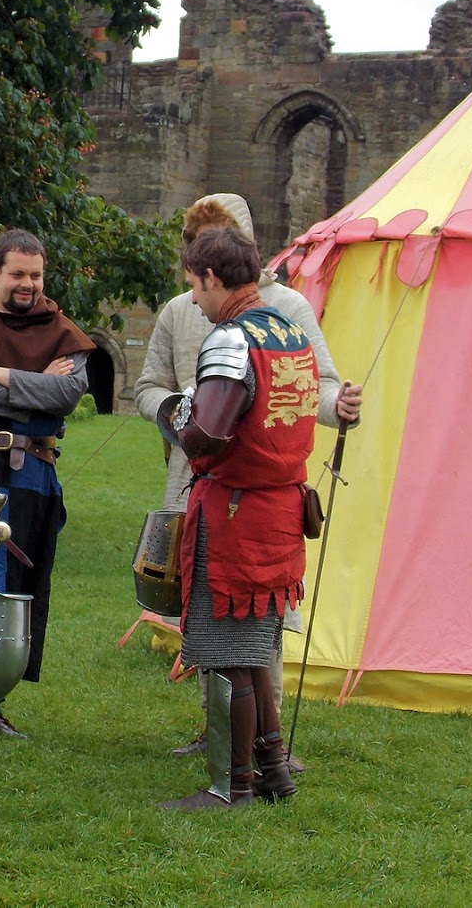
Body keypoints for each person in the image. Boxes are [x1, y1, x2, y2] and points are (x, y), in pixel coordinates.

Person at [134, 194, 361, 763]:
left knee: (239, 637)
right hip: (257, 494)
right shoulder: (197, 314)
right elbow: (151, 389)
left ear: (219, 269)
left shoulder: (263, 323)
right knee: (231, 631)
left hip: (237, 496)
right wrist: (176, 410)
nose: (194, 293)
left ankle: (241, 767)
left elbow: (229, 425)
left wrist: (338, 405)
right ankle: (258, 752)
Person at [156, 225, 319, 809]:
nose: (194, 300)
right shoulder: (289, 332)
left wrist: (175, 414)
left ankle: (233, 785)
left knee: (227, 652)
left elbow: (205, 435)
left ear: (212, 278)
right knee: (252, 650)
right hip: (279, 509)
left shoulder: (233, 339)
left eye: (194, 287)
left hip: (237, 514)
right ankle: (272, 767)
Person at [0, 229, 94, 738]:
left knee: (15, 585)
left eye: (35, 275)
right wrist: (36, 383)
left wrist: (5, 377)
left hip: (32, 474)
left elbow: (68, 394)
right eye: (17, 274)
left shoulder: (61, 330)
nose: (27, 284)